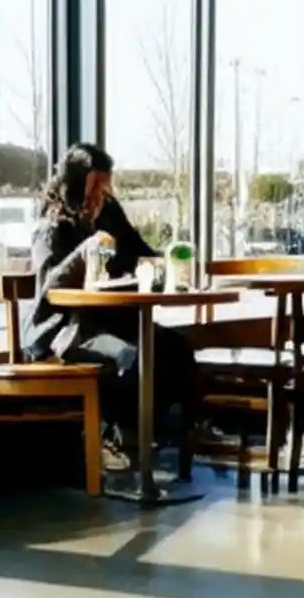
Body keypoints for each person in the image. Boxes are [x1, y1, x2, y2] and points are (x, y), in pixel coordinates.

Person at [22, 143, 196, 461]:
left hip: (108, 320)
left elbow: (139, 250)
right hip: (64, 330)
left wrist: (166, 265)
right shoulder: (51, 228)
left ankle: (164, 432)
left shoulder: (107, 212)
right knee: (133, 357)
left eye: (105, 189)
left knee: (175, 348)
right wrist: (87, 249)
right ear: (78, 186)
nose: (102, 198)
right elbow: (50, 286)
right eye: (96, 190)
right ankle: (122, 434)